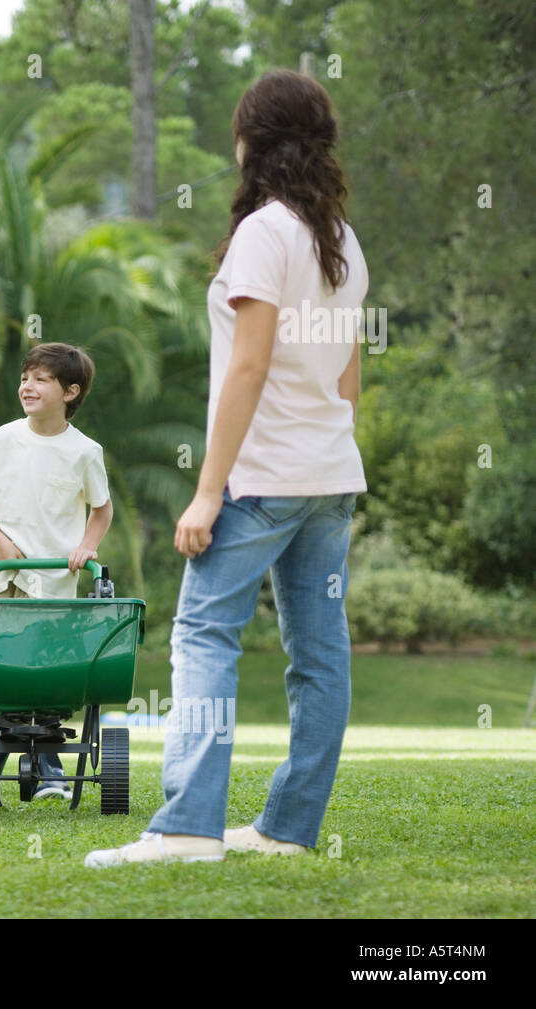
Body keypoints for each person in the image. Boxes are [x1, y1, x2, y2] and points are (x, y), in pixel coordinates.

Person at [85, 69, 367, 866]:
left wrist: (207, 492)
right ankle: (288, 828)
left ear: (249, 144)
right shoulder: (341, 240)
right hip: (330, 479)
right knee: (320, 655)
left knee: (204, 634)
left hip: (263, 479)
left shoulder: (263, 234)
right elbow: (348, 375)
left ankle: (187, 827)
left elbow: (246, 369)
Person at [0, 342, 114, 800]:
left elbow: (101, 509)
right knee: (4, 674)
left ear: (70, 392)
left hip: (55, 584)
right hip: (6, 578)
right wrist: (3, 544)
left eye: (41, 379)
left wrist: (86, 547)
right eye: (25, 377)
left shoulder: (85, 451)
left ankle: (50, 772)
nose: (27, 386)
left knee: (46, 677)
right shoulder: (3, 439)